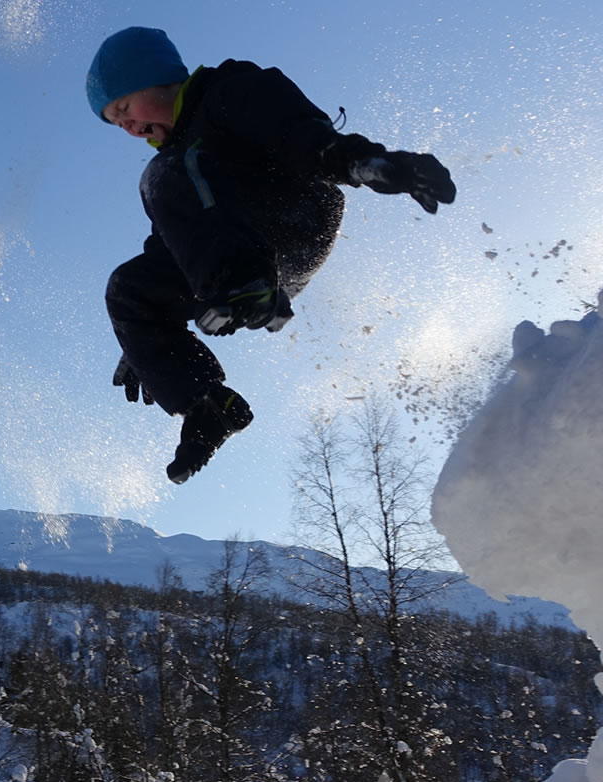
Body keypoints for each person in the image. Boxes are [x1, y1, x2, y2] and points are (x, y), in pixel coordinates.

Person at [87, 26, 456, 483]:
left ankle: (245, 283)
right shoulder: (178, 169)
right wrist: (146, 343)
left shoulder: (228, 93)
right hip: (241, 256)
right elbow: (170, 247)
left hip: (295, 214)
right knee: (127, 291)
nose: (125, 125)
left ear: (157, 75)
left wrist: (366, 163)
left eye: (124, 107)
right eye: (115, 121)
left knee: (164, 172)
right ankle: (205, 406)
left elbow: (297, 133)